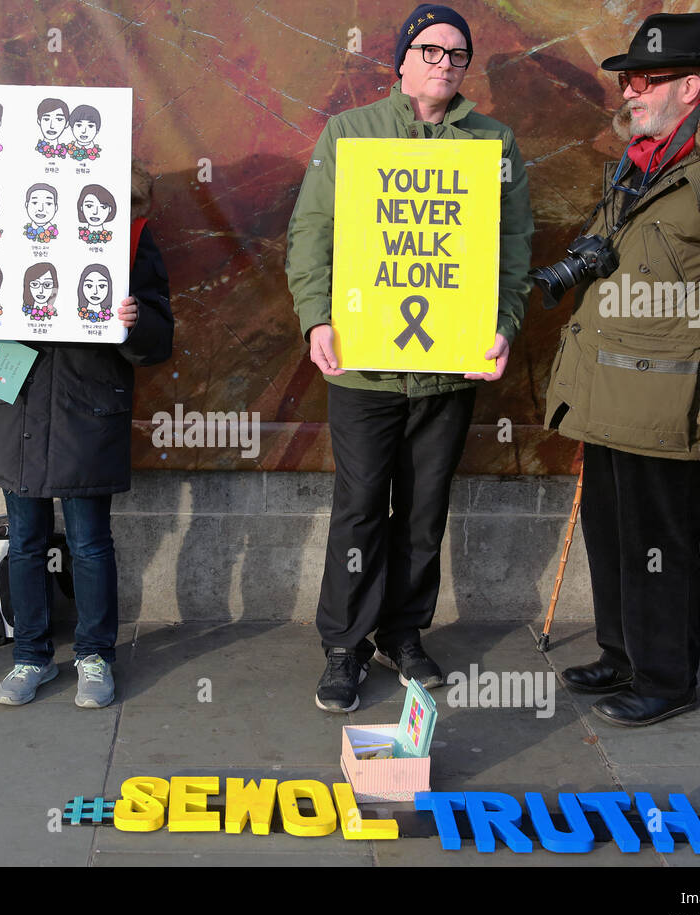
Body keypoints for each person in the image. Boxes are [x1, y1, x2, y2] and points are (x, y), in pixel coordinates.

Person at [543, 13, 700, 726]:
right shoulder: (648, 152)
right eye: (626, 78)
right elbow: (613, 241)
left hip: (674, 398)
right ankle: (622, 654)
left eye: (643, 78)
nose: (628, 91)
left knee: (660, 540)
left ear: (691, 86)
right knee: (613, 530)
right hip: (614, 387)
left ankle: (664, 678)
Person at [286, 4, 534, 712]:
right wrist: (316, 318)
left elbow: (513, 249)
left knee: (425, 510)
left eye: (458, 55)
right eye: (430, 51)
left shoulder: (494, 143)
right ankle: (344, 644)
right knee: (361, 507)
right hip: (364, 366)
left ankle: (404, 633)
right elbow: (312, 234)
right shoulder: (350, 133)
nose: (444, 64)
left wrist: (505, 326)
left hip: (449, 366)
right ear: (400, 60)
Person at [0, 161, 174, 707]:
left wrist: (135, 321)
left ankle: (95, 655)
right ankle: (30, 656)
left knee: (90, 542)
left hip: (85, 407)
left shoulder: (129, 239)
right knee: (24, 541)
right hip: (15, 404)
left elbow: (161, 335)